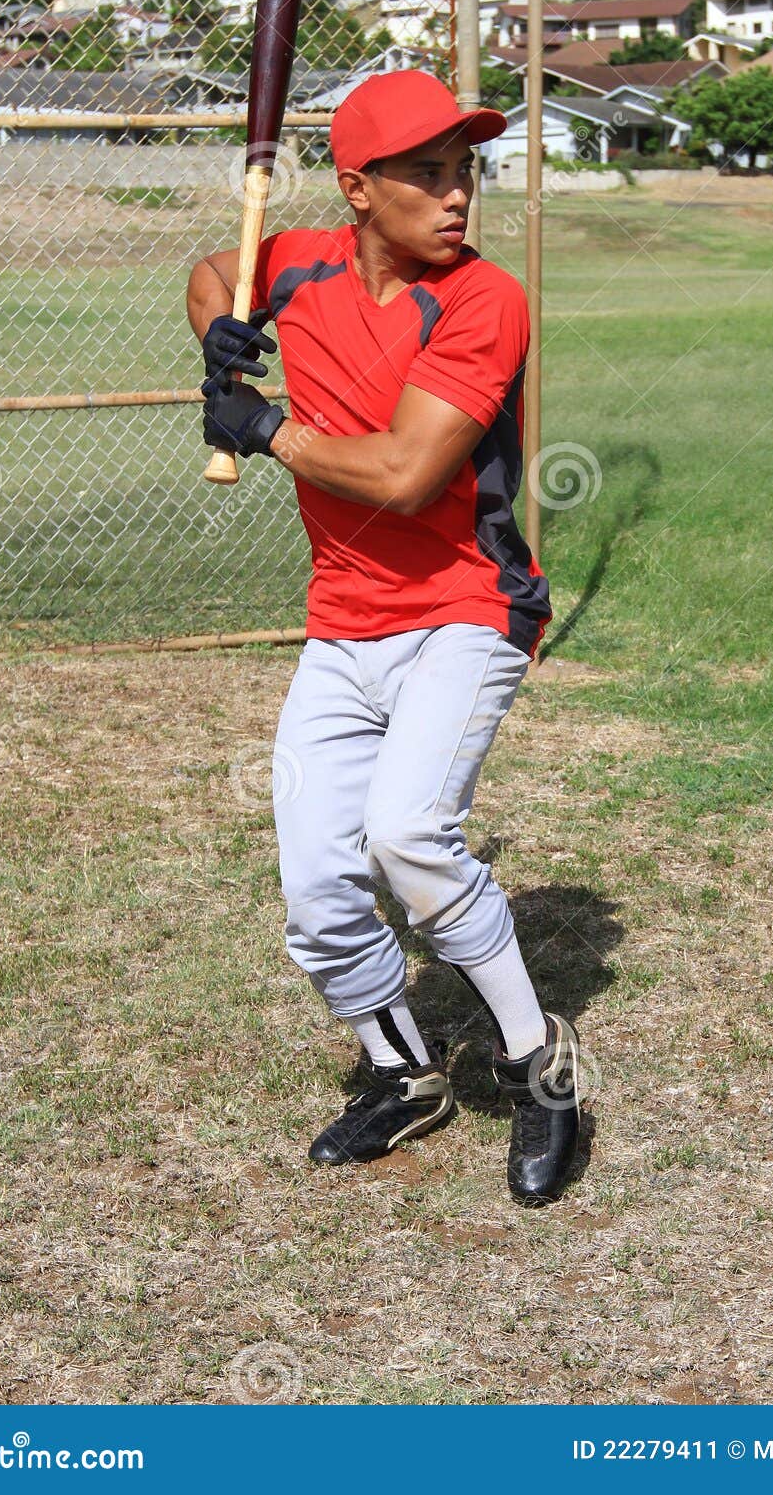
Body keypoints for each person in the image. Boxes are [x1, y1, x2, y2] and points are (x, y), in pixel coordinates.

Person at [186, 70, 581, 1205]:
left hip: (467, 606)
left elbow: (408, 476)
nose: (456, 195)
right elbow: (217, 271)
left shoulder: (481, 300)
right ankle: (405, 1071)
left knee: (407, 833)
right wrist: (220, 329)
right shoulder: (302, 259)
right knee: (316, 887)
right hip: (344, 621)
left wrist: (262, 426)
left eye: (466, 171)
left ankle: (537, 1064)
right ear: (357, 190)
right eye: (426, 174)